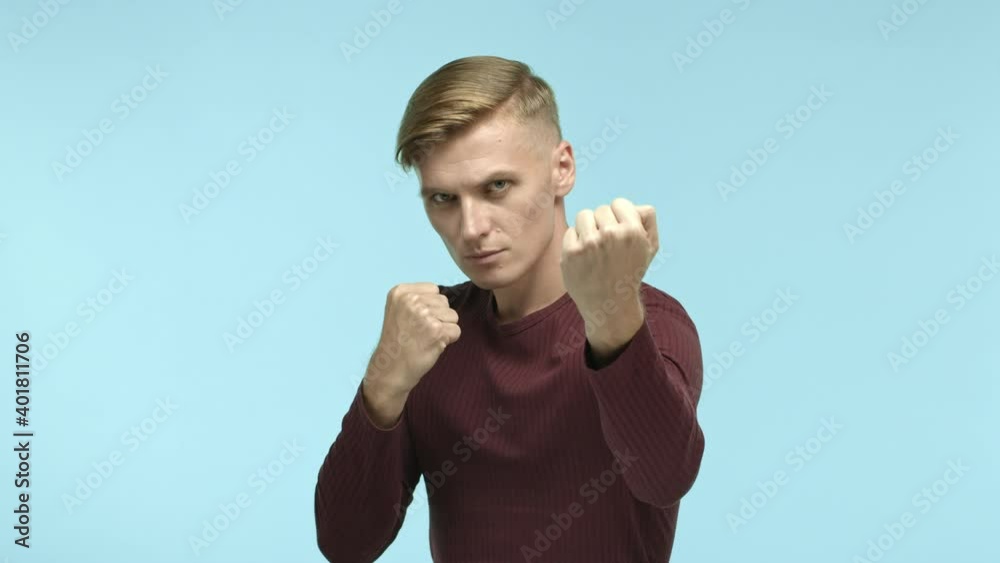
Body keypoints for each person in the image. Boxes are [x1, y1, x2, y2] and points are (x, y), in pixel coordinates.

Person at [314, 55, 705, 562]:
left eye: (496, 187)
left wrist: (613, 316)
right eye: (442, 198)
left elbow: (664, 478)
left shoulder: (652, 320)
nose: (471, 227)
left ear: (561, 168)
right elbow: (346, 546)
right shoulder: (428, 337)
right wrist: (384, 385)